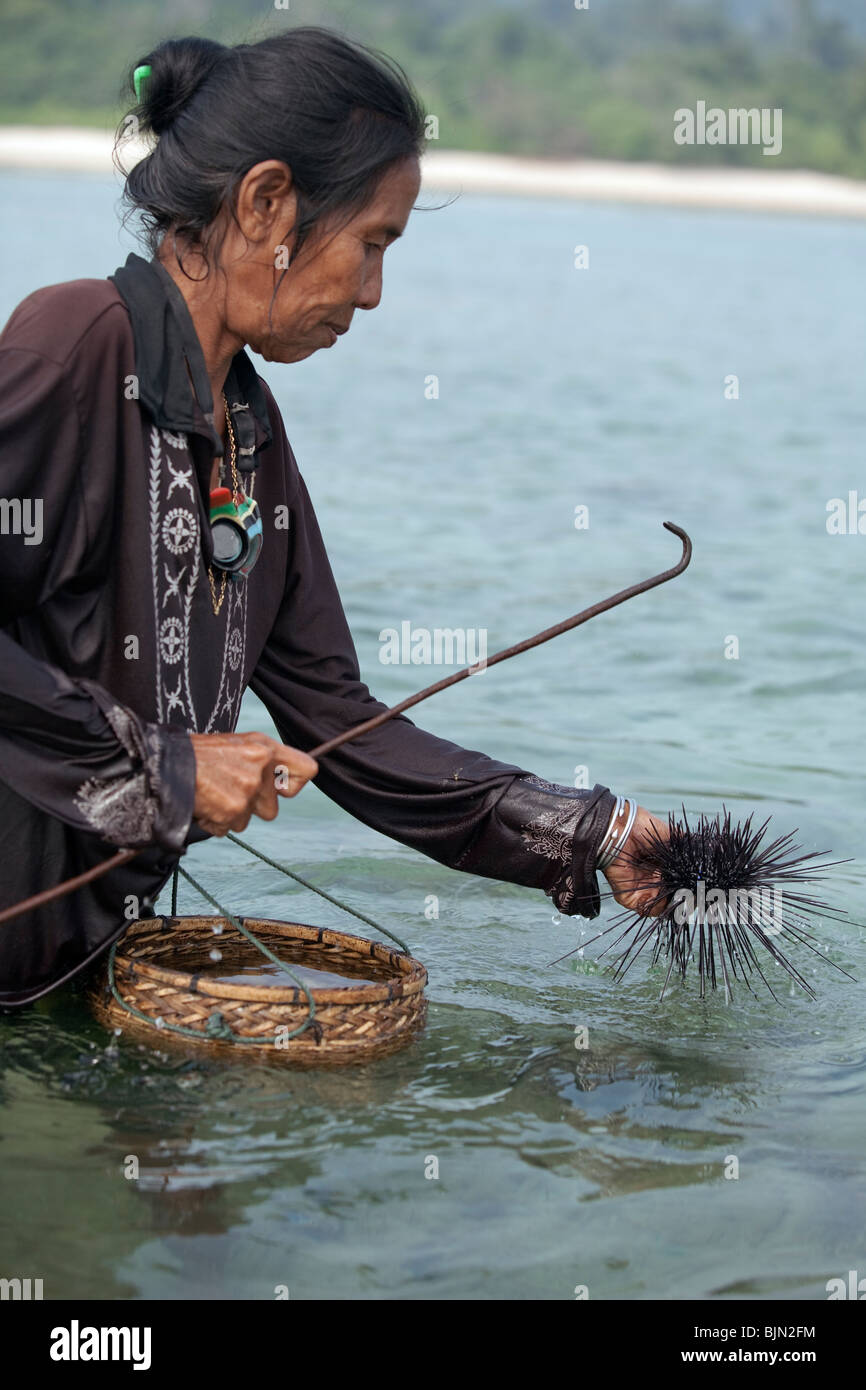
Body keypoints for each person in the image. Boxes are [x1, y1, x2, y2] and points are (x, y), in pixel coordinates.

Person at [0, 27, 666, 1008]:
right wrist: (172, 767)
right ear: (266, 202)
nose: (371, 292)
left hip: (81, 974)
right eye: (370, 243)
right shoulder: (78, 346)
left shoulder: (247, 428)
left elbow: (345, 727)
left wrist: (597, 833)